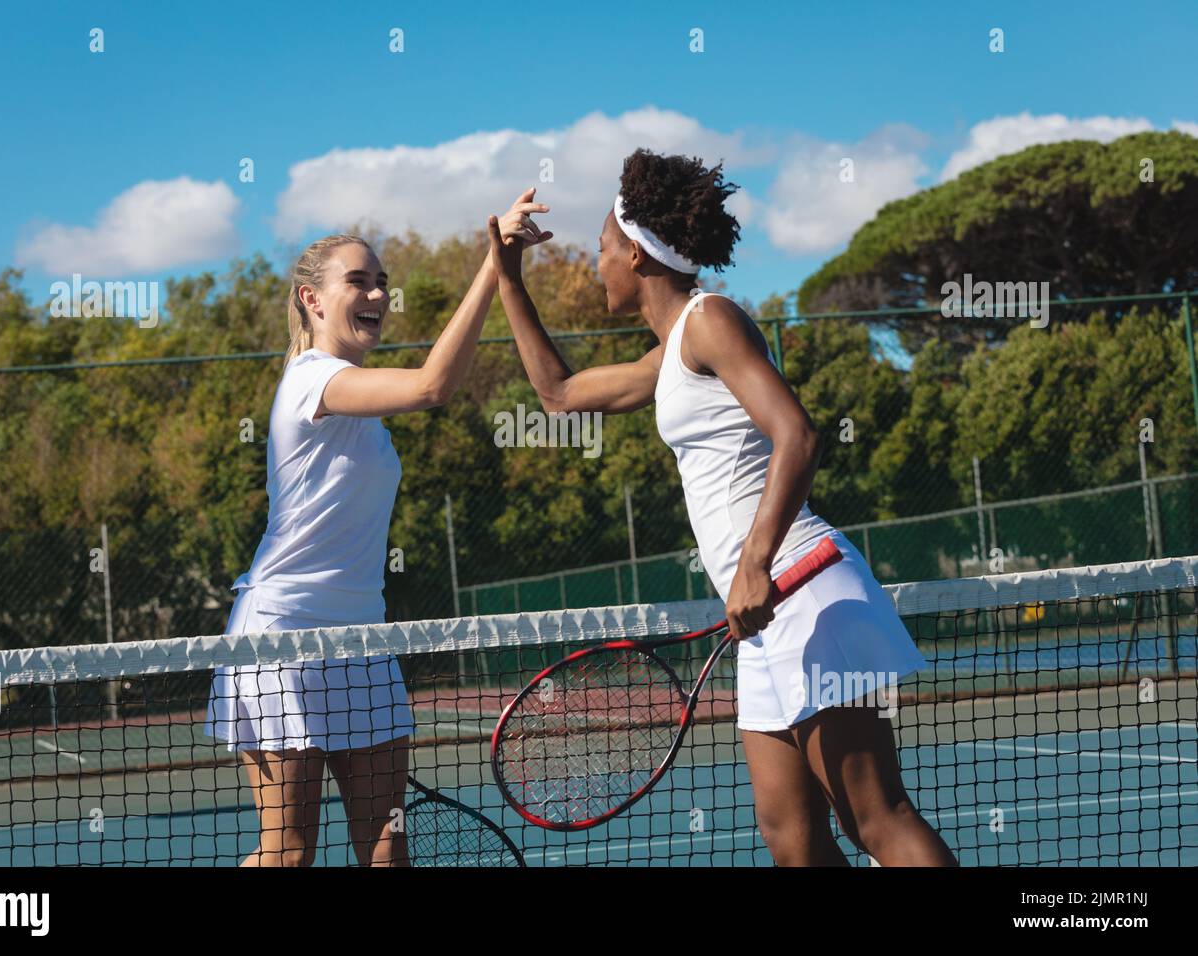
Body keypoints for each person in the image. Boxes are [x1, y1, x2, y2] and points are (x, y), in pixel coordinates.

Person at [490, 150, 956, 866]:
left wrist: (754, 565)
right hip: (767, 617)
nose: (597, 261)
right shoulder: (672, 351)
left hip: (802, 587)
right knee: (792, 841)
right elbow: (558, 393)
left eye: (605, 247)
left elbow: (798, 434)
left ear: (640, 255)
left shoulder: (711, 319)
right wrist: (506, 274)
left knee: (877, 819)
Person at [203, 189, 552, 867]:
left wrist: (498, 262)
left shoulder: (361, 401)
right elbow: (432, 386)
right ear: (313, 299)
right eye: (357, 282)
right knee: (288, 856)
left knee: (388, 851)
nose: (377, 295)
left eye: (382, 284)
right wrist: (493, 265)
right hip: (282, 640)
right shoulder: (312, 382)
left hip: (363, 640)